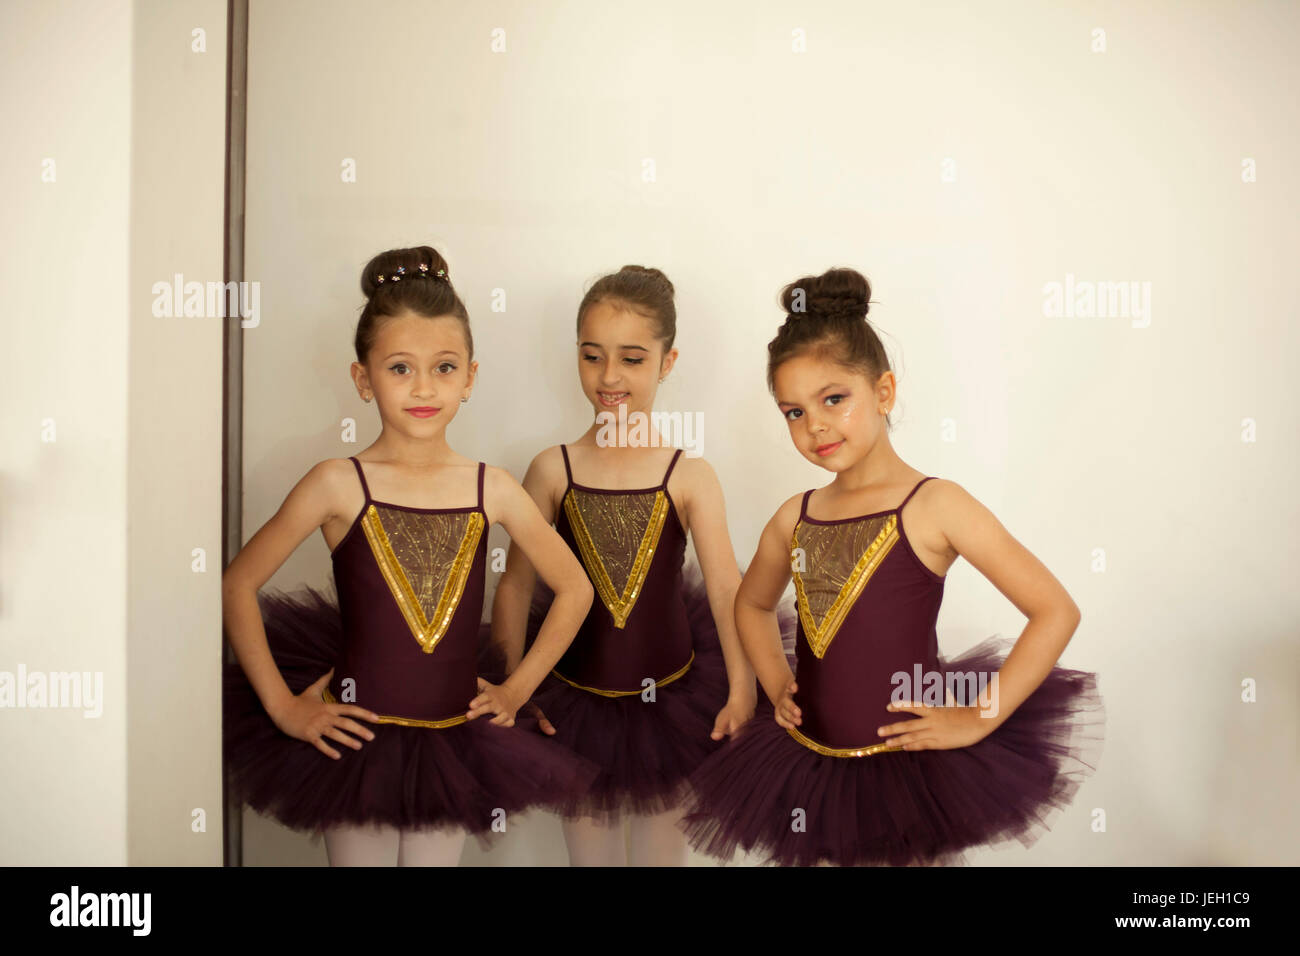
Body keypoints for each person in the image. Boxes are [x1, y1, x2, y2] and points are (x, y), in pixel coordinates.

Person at [680, 266, 1106, 867]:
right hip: (811, 760)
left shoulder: (935, 504)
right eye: (793, 412)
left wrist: (977, 717)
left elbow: (1055, 610)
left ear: (883, 392)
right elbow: (750, 604)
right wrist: (778, 685)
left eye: (833, 399)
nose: (816, 425)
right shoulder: (793, 516)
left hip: (907, 771)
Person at [222, 246, 598, 866]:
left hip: (452, 739)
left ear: (470, 378)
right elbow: (239, 584)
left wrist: (516, 689)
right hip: (357, 740)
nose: (424, 388)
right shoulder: (337, 482)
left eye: (444, 368)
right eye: (400, 368)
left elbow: (576, 589)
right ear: (363, 378)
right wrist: (285, 708)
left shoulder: (492, 487)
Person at [487, 265, 756, 866]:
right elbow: (515, 586)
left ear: (668, 361)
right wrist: (512, 686)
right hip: (573, 697)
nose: (609, 377)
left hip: (673, 700)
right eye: (592, 356)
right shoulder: (553, 468)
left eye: (632, 359)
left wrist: (742, 686)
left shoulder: (689, 475)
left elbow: (726, 587)